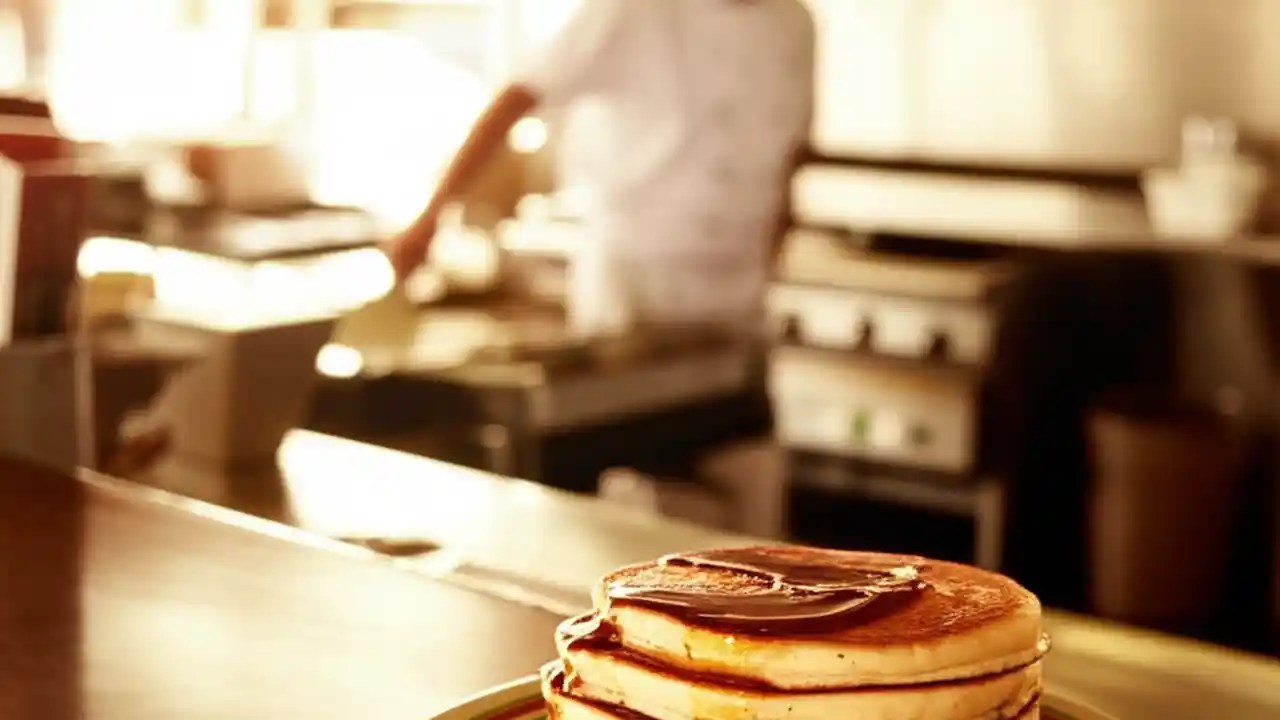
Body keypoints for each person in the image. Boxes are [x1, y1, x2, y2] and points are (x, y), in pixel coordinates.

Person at [386, 0, 815, 337]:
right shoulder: (632, 7)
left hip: (739, 286)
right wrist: (429, 219)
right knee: (621, 432)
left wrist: (778, 253)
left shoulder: (795, 25)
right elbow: (516, 100)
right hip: (638, 278)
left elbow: (792, 156)